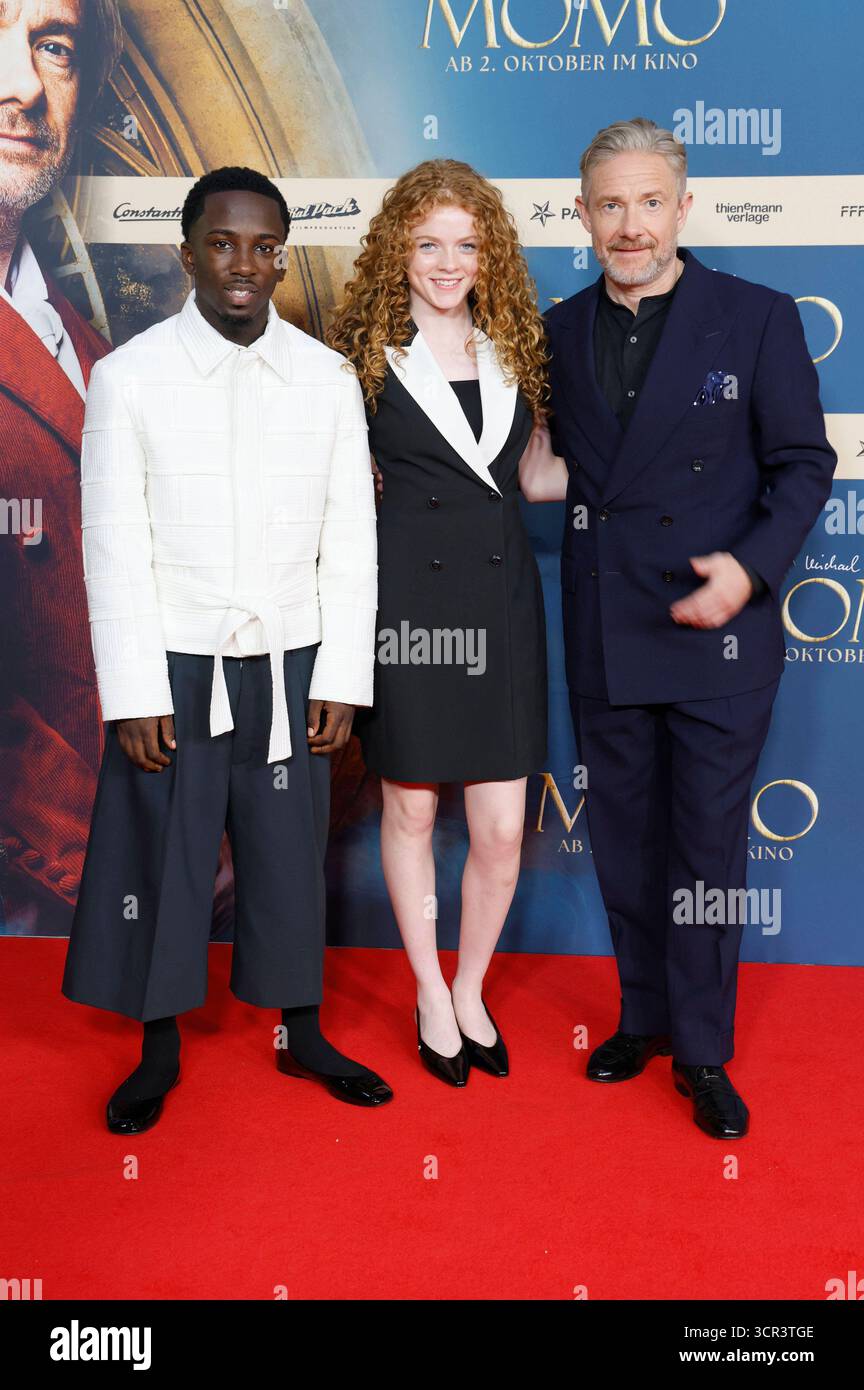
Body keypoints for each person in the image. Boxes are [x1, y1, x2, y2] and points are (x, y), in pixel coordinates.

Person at [520, 118, 836, 1138]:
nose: (630, 224)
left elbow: (803, 463)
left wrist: (747, 569)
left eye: (650, 201)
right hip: (608, 620)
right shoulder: (557, 329)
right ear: (582, 214)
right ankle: (643, 1017)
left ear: (684, 207)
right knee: (624, 836)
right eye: (609, 203)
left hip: (719, 633)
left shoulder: (754, 319)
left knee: (704, 846)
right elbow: (555, 468)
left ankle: (702, 1053)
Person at [62, 166, 393, 1131]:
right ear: (187, 254)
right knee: (161, 854)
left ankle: (303, 1033)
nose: (243, 265)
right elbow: (115, 546)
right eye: (222, 243)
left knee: (290, 852)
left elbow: (352, 538)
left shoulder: (325, 379)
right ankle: (156, 1050)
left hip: (292, 657)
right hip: (173, 662)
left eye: (263, 247)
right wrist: (131, 691)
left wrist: (340, 675)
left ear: (280, 258)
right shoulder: (128, 379)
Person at [327, 159, 549, 1086]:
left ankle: (471, 988)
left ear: (488, 252)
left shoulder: (519, 347)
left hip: (501, 610)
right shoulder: (360, 360)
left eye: (465, 244)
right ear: (398, 253)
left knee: (501, 829)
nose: (448, 263)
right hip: (410, 612)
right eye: (428, 245)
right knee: (412, 808)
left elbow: (532, 479)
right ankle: (428, 992)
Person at [0, 0, 123, 934]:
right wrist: (67, 842)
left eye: (54, 46)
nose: (23, 87)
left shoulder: (86, 348)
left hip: (108, 880)